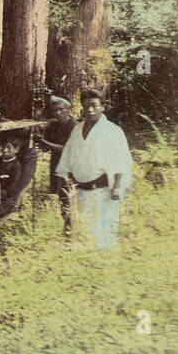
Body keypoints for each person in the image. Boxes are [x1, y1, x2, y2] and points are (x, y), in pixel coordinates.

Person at [56, 88, 133, 250]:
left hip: (104, 189)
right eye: (86, 106)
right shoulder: (77, 130)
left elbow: (121, 160)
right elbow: (69, 156)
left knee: (106, 233)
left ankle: (108, 261)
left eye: (94, 105)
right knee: (87, 231)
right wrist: (66, 179)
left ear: (102, 107)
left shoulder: (111, 131)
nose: (90, 110)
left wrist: (117, 187)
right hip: (82, 190)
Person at [36, 95, 75, 234]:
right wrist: (41, 127)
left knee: (70, 194)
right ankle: (68, 227)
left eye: (61, 110)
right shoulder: (55, 124)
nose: (58, 113)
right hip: (58, 165)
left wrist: (44, 142)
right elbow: (43, 127)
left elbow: (66, 149)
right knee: (63, 197)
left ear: (68, 110)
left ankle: (71, 228)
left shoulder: (74, 126)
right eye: (55, 111)